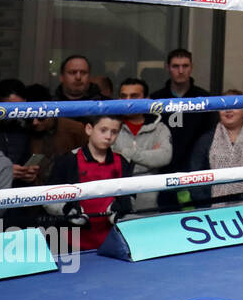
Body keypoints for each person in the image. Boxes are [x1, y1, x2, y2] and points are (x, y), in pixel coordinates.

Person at [46, 115, 133, 250]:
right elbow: (47, 197)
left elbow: (131, 198)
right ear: (89, 129)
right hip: (71, 241)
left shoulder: (122, 162)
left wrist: (121, 210)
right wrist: (67, 210)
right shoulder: (68, 160)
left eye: (114, 132)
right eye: (103, 130)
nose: (108, 136)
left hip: (111, 240)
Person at [111, 77, 173, 213]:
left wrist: (126, 153)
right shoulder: (108, 126)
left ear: (146, 99)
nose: (128, 101)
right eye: (123, 96)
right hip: (114, 198)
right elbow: (106, 160)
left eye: (134, 96)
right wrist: (148, 160)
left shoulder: (160, 128)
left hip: (149, 203)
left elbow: (164, 157)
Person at [151, 48, 215, 175]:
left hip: (196, 167)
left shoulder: (204, 98)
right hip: (161, 168)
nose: (180, 71)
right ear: (167, 67)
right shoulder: (156, 99)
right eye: (176, 66)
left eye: (185, 66)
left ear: (191, 68)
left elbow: (210, 135)